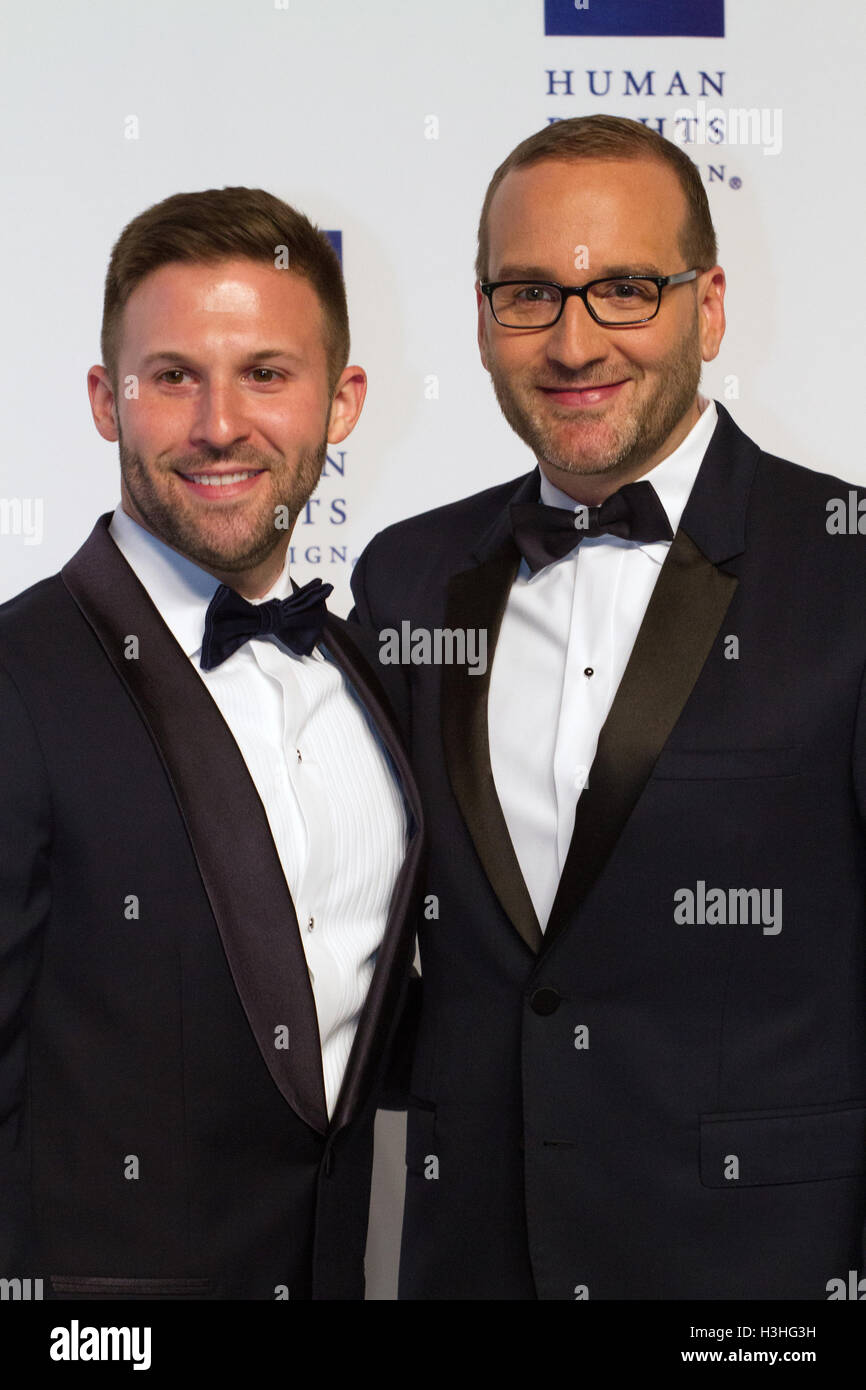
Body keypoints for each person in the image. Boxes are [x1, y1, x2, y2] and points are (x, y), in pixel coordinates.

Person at [351, 115, 866, 1300]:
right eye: (529, 293)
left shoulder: (844, 567)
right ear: (480, 318)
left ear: (709, 305)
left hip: (762, 1282)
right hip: (473, 1261)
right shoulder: (406, 576)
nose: (573, 341)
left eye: (624, 288)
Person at [0, 187, 424, 1300]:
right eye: (174, 375)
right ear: (107, 399)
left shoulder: (371, 675)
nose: (220, 423)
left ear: (342, 401)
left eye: (266, 374)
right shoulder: (17, 678)